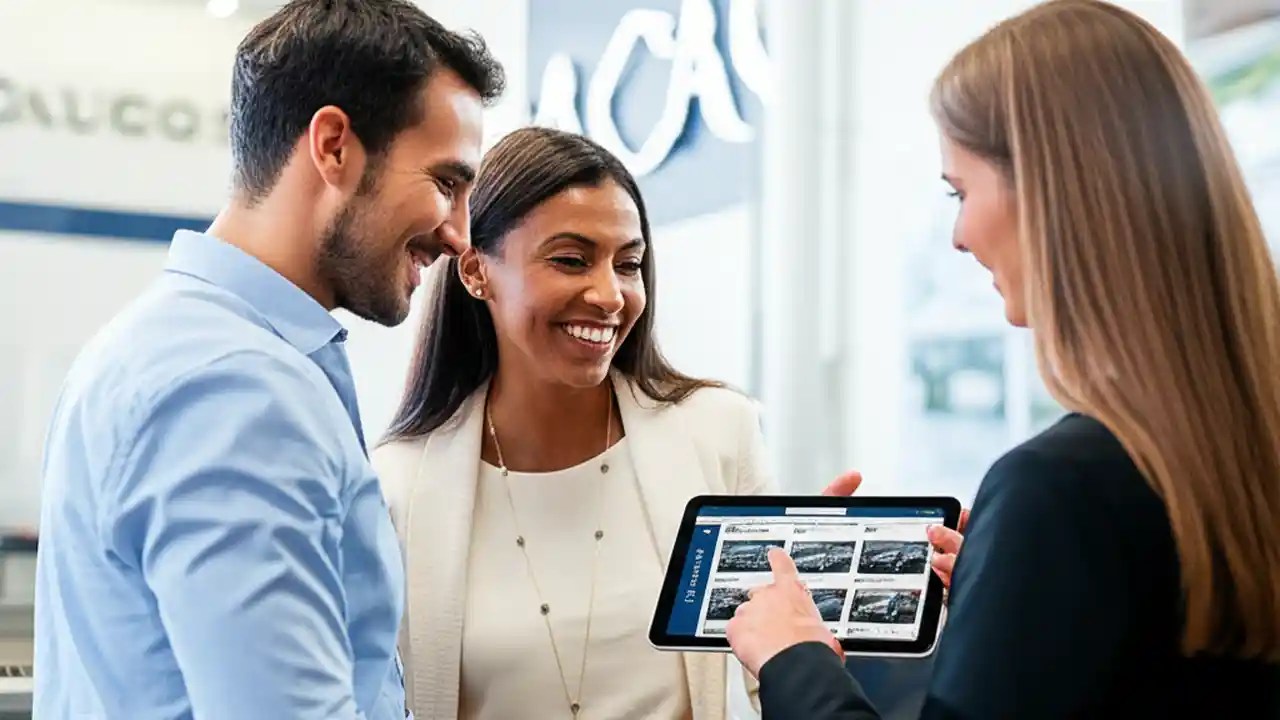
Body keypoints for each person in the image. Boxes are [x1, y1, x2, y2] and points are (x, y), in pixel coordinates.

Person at [725, 0, 1280, 717]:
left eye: (960, 192)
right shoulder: (1238, 459)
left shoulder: (1057, 489)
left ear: (1054, 193)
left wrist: (792, 657)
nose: (957, 236)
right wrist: (1015, 599)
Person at [32, 1, 503, 717]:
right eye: (446, 183)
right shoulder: (235, 390)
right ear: (334, 146)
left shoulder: (160, 347)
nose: (459, 236)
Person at [373, 126, 778, 720]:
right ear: (475, 271)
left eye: (630, 264)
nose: (611, 295)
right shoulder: (397, 485)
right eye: (571, 260)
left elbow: (766, 675)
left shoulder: (719, 432)